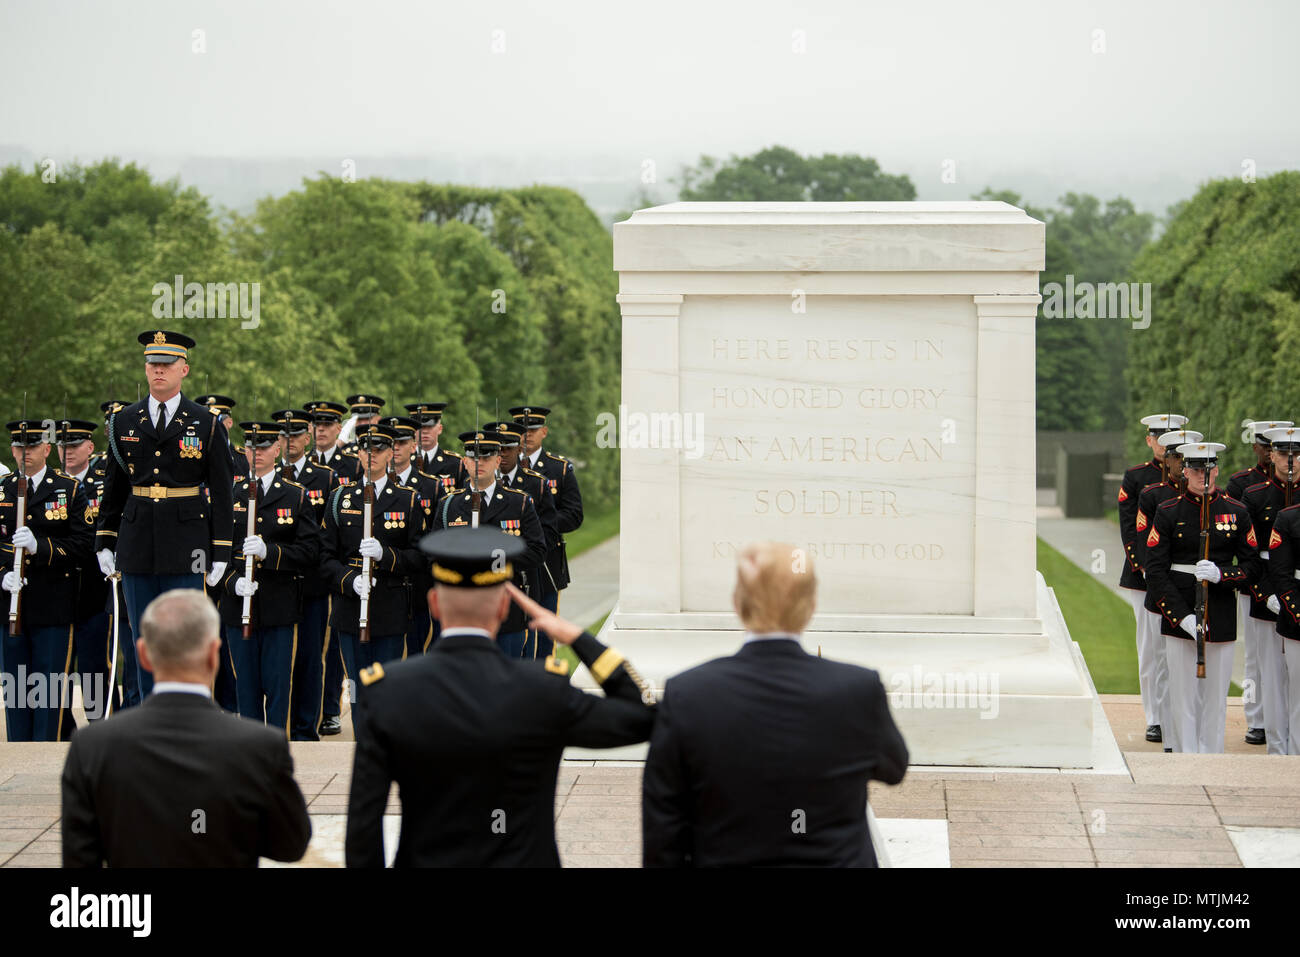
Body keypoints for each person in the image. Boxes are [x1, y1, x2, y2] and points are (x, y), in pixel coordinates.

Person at [345, 526, 656, 867]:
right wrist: (579, 638)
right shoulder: (542, 689)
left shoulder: (389, 691)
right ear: (505, 607)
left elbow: (363, 825)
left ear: (433, 603)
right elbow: (641, 717)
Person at [641, 542, 908, 867]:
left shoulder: (688, 693)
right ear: (810, 607)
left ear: (738, 604)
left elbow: (663, 825)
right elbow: (894, 768)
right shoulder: (858, 690)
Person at [60, 589, 311, 867]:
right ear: (214, 654)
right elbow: (291, 845)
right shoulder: (262, 745)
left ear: (142, 654)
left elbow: (80, 859)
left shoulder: (91, 746)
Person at [94, 330, 234, 708]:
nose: (158, 371)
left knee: (186, 635)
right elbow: (114, 487)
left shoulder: (205, 422)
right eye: (152, 364)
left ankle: (190, 717)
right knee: (142, 635)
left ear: (183, 369)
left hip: (187, 541)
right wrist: (105, 540)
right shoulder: (122, 421)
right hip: (138, 539)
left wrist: (221, 550)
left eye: (167, 364)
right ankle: (148, 720)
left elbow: (222, 492)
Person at [1144, 441, 1261, 753]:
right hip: (1180, 612)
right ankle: (1186, 756)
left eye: (1208, 469)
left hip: (1219, 612)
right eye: (1196, 470)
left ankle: (1211, 756)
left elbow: (1251, 565)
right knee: (1182, 694)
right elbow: (1155, 570)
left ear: (1217, 470)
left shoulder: (1235, 512)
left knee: (1214, 697)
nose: (1203, 475)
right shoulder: (1168, 511)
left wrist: (1223, 575)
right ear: (1185, 471)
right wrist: (1181, 616)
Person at [220, 422, 321, 735]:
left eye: (264, 447)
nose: (257, 453)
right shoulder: (229, 495)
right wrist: (232, 581)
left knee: (279, 685)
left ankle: (278, 748)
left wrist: (271, 552)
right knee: (245, 686)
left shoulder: (294, 496)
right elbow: (214, 552)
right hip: (239, 605)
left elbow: (310, 551)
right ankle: (251, 751)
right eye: (251, 447)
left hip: (279, 605)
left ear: (277, 450)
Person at [1, 420, 93, 741]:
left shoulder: (67, 489)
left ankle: (44, 759)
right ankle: (19, 754)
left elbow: (83, 544)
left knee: (51, 690)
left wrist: (41, 547)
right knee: (15, 689)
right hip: (12, 603)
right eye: (18, 447)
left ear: (46, 449)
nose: (24, 453)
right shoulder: (2, 488)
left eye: (31, 447)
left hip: (53, 603)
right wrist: (4, 574)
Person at [320, 424, 423, 690]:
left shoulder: (407, 500)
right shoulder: (339, 498)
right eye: (366, 449)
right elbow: (324, 556)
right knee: (355, 688)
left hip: (390, 608)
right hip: (349, 607)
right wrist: (349, 580)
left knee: (387, 689)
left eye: (378, 450)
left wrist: (385, 555)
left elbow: (419, 557)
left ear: (391, 453)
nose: (371, 455)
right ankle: (359, 733)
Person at [430, 430, 545, 658]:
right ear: (464, 462)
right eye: (473, 457)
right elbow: (433, 554)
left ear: (497, 460)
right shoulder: (448, 505)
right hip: (462, 610)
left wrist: (497, 558)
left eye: (485, 457)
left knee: (507, 683)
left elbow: (537, 551)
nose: (478, 463)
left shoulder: (518, 502)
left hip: (505, 608)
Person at [1117, 412, 1189, 744]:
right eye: (1160, 437)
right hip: (1143, 574)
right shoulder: (1136, 477)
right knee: (1150, 649)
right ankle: (1155, 716)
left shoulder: (1191, 476)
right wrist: (1145, 567)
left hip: (1179, 573)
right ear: (1149, 440)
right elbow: (1130, 528)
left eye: (1173, 436)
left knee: (1177, 647)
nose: (1166, 442)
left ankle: (1177, 710)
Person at [1132, 428, 1201, 752]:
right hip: (1158, 584)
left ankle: (1185, 724)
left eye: (1182, 457)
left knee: (1188, 662)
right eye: (1174, 457)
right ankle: (1158, 717)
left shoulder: (1202, 497)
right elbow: (1143, 540)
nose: (1177, 462)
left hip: (1187, 588)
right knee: (1157, 657)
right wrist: (1152, 578)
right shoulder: (1153, 494)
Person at [273, 408, 338, 740]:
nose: (289, 442)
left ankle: (305, 727)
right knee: (278, 659)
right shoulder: (267, 476)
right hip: (276, 581)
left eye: (296, 435)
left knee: (311, 658)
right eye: (283, 436)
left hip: (312, 582)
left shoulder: (325, 478)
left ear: (307, 437)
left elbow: (329, 532)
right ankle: (277, 726)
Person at [1230, 420, 1292, 745]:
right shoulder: (1248, 488)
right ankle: (1259, 720)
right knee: (1259, 656)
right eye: (1273, 448)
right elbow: (1247, 548)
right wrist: (1260, 589)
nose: (1277, 455)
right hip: (1260, 582)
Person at [510, 405, 583, 659]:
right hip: (511, 560)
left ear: (544, 431)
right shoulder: (504, 467)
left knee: (544, 632)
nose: (527, 435)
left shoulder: (558, 469)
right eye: (522, 431)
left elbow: (574, 515)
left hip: (547, 562)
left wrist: (535, 527)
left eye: (532, 430)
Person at [489, 420, 561, 657]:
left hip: (525, 575)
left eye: (507, 448)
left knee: (525, 647)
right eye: (497, 449)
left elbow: (548, 533)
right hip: (484, 585)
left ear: (519, 449)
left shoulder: (535, 485)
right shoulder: (474, 488)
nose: (503, 454)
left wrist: (508, 552)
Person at [57, 418, 113, 722]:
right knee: (57, 670)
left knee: (93, 666)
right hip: (56, 588)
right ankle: (63, 731)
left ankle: (100, 725)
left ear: (90, 447)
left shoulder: (104, 483)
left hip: (94, 587)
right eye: (63, 445)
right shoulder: (52, 486)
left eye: (75, 445)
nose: (68, 451)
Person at [381, 414, 442, 657]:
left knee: (419, 651)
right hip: (383, 586)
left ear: (413, 446)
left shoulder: (431, 486)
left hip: (418, 584)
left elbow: (437, 537)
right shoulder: (366, 487)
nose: (396, 448)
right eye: (391, 443)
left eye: (402, 443)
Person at [1257, 427, 1300, 753]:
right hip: (1266, 593)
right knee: (1271, 674)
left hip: (1291, 589)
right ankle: (1276, 743)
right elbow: (1249, 553)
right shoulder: (1256, 494)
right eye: (1285, 455)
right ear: (1272, 455)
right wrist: (1267, 594)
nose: (1291, 462)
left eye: (1296, 455)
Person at [405, 401, 464, 493]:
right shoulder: (402, 461)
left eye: (429, 427)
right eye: (420, 427)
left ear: (440, 429)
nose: (424, 431)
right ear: (413, 430)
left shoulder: (456, 464)